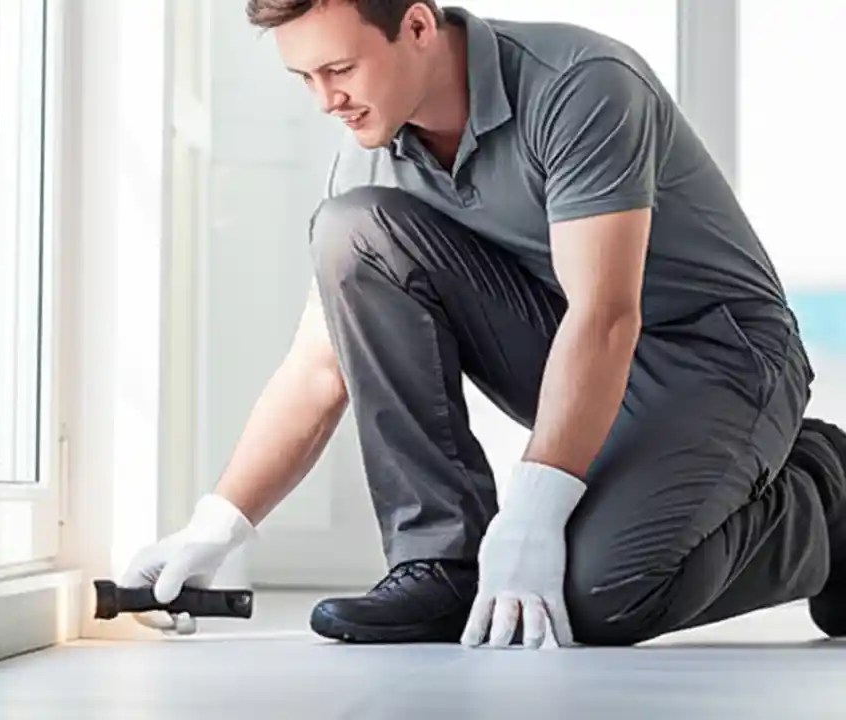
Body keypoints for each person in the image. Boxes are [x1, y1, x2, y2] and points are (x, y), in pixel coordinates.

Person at [121, 0, 846, 649]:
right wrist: (216, 524)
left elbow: (607, 313)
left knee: (597, 600)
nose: (325, 100)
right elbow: (319, 367)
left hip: (718, 361)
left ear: (417, 25)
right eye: (303, 78)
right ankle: (439, 564)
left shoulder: (580, 84)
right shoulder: (371, 158)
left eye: (339, 68)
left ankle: (824, 493)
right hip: (579, 357)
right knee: (351, 231)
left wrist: (533, 513)